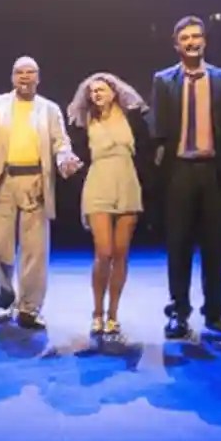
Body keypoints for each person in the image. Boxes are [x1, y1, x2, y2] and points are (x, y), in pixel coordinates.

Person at [0, 56, 83, 331]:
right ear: (12, 77)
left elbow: (61, 142)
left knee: (35, 251)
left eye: (30, 72)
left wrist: (65, 158)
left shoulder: (49, 109)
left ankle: (29, 308)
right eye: (19, 72)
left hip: (35, 181)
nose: (24, 77)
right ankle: (5, 289)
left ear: (38, 77)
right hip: (2, 181)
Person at [148, 15, 221, 339]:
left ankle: (215, 314)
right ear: (176, 44)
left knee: (215, 247)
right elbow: (159, 132)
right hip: (179, 171)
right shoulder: (163, 81)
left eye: (197, 36)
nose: (192, 42)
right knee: (178, 245)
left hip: (214, 170)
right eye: (185, 38)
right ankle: (178, 312)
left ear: (204, 40)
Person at [65, 72, 154, 336]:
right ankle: (97, 312)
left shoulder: (131, 118)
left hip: (126, 182)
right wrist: (71, 164)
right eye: (92, 91)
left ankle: (113, 313)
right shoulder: (85, 121)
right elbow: (77, 154)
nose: (96, 94)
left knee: (120, 252)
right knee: (103, 252)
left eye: (101, 89)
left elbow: (147, 151)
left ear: (114, 92)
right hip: (99, 183)